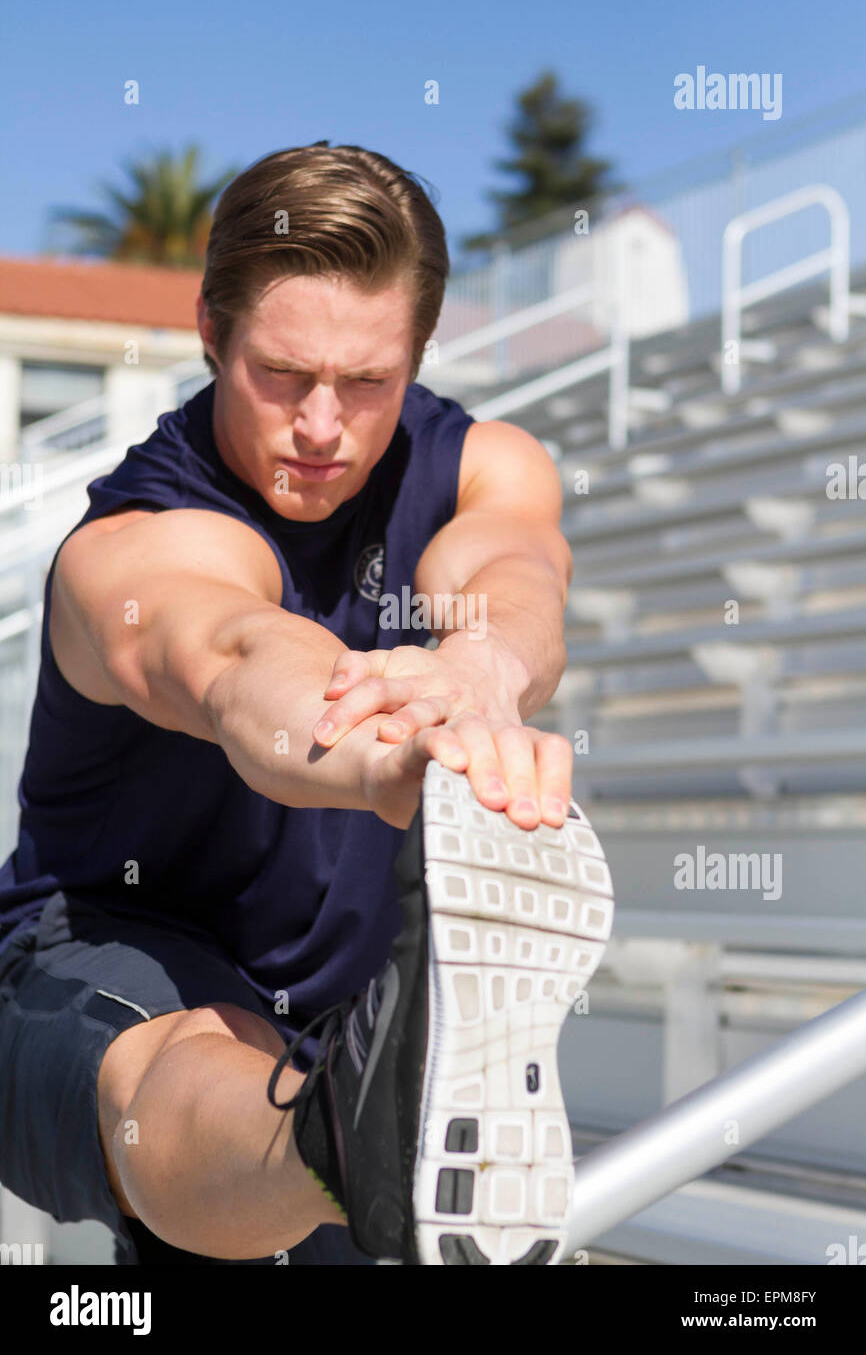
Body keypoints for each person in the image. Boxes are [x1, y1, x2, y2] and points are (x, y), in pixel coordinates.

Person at [0, 142, 611, 1266]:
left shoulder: (486, 461)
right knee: (205, 1050)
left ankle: (361, 1124)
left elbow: (511, 569)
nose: (321, 425)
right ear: (208, 333)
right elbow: (240, 661)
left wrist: (481, 671)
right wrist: (394, 762)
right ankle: (342, 1135)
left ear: (419, 353)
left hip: (336, 1032)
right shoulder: (130, 543)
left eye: (368, 383)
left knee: (311, 1149)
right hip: (86, 971)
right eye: (281, 375)